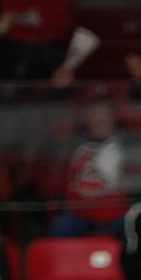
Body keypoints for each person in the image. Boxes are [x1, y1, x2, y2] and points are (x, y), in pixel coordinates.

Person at [50, 99, 127, 238]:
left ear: (113, 118)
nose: (100, 119)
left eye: (104, 114)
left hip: (115, 215)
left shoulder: (126, 148)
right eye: (95, 114)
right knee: (62, 226)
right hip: (80, 215)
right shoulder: (76, 149)